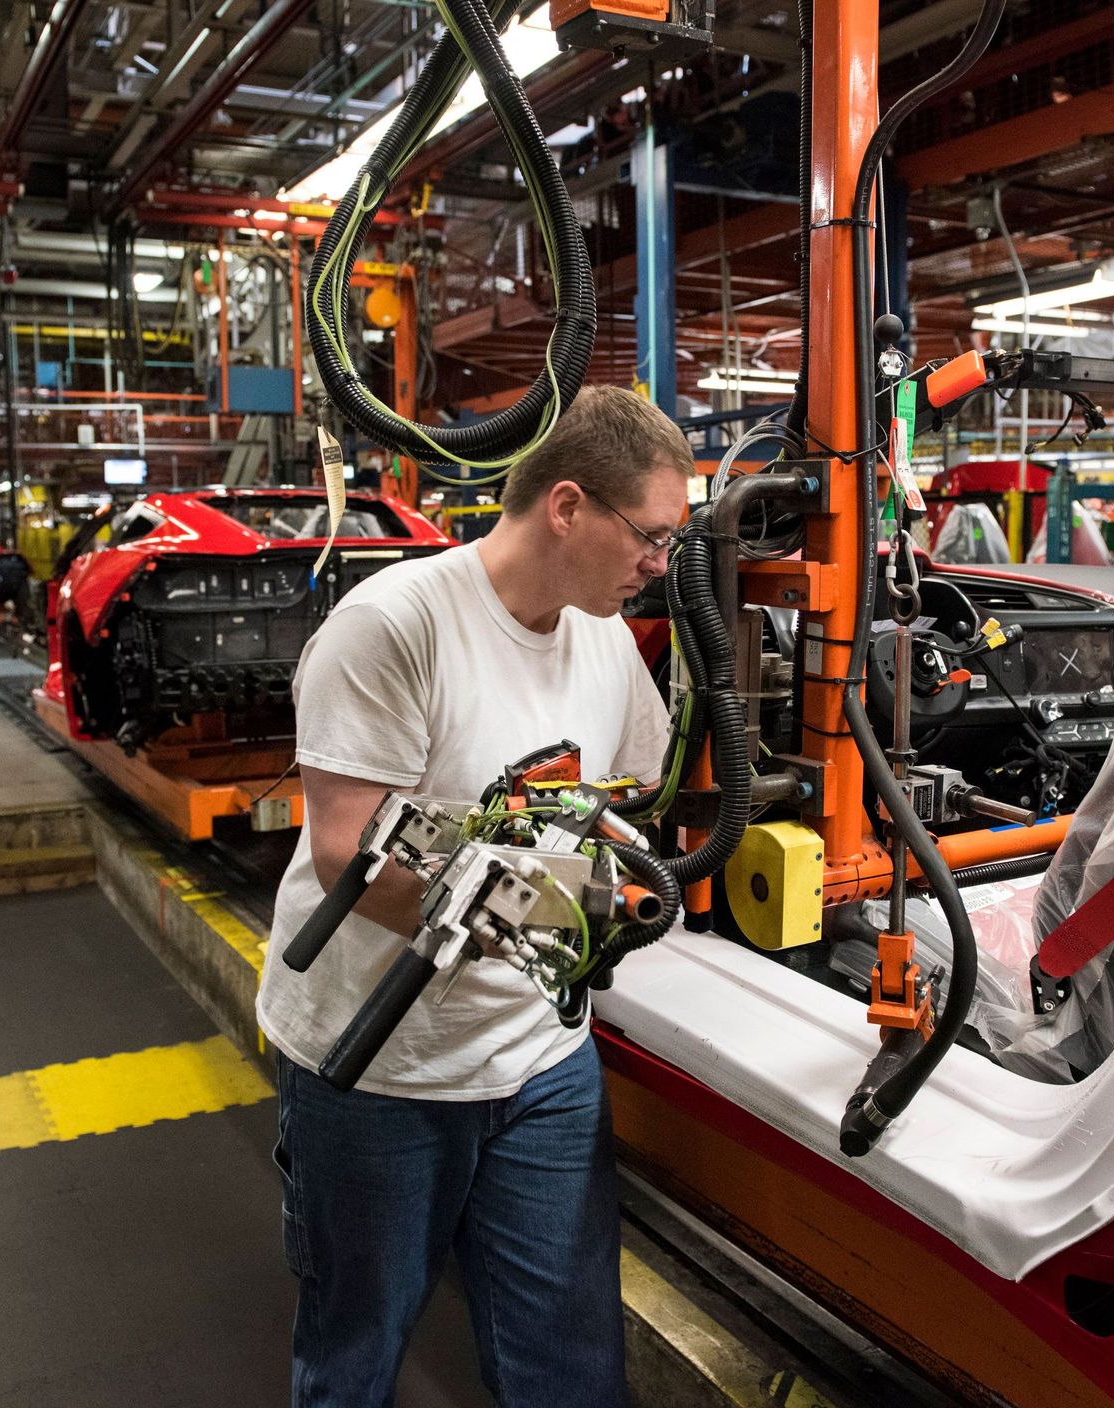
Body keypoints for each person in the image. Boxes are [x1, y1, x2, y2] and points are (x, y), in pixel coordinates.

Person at [257, 385, 692, 1407]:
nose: (660, 566)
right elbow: (342, 853)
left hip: (539, 1061)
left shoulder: (605, 642)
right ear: (569, 506)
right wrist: (557, 920)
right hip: (378, 1065)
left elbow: (627, 812)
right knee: (357, 1344)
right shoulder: (396, 624)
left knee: (568, 1359)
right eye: (652, 536)